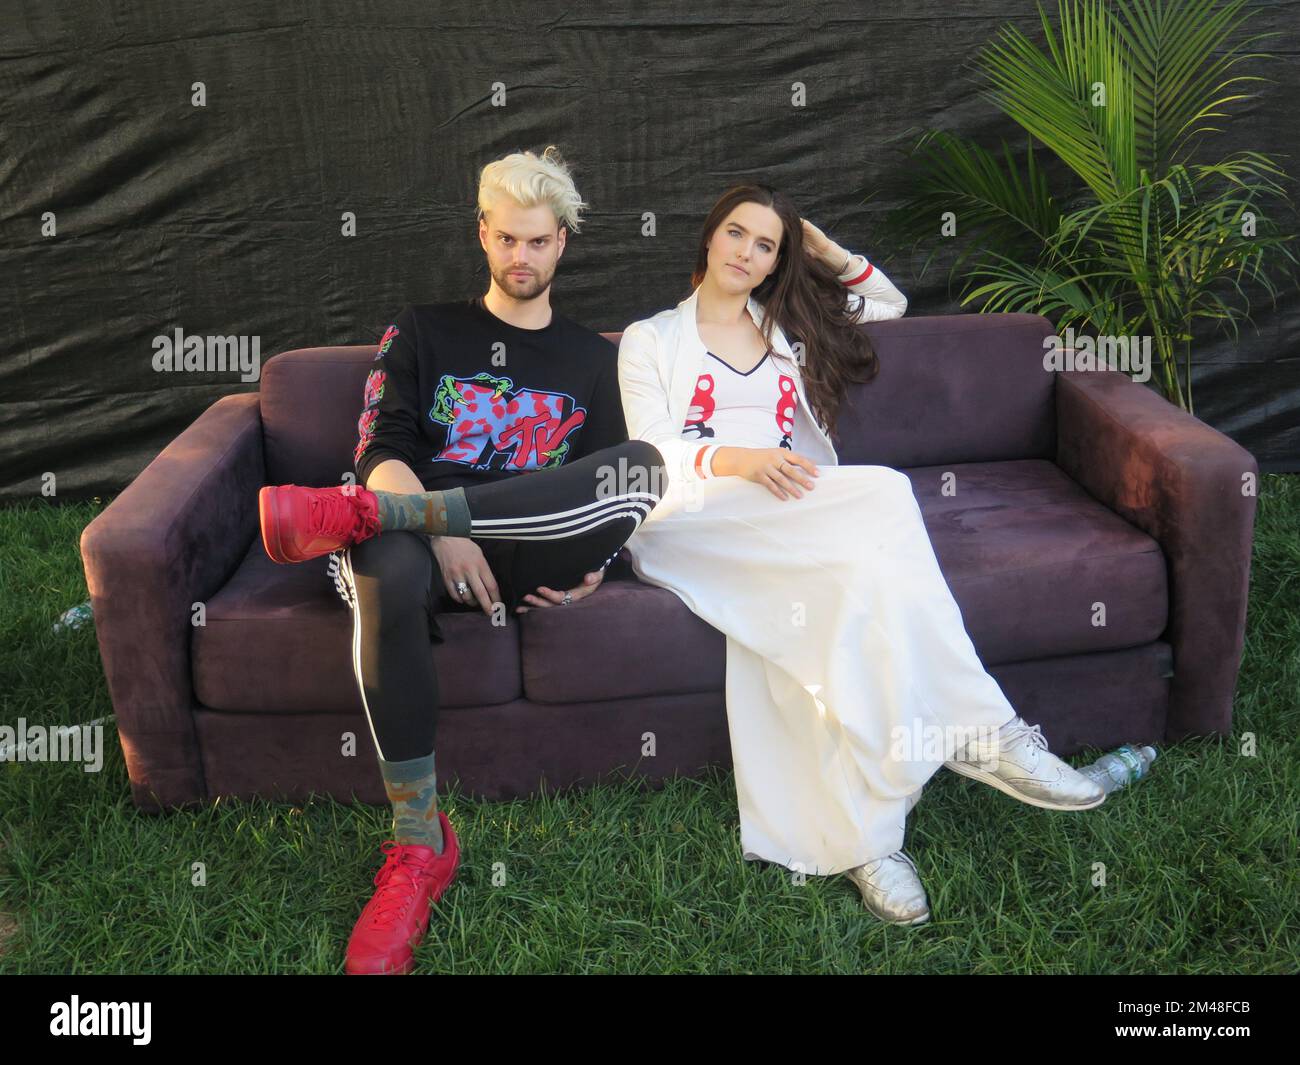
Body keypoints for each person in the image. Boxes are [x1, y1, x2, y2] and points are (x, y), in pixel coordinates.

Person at [614, 184, 1105, 925]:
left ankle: (869, 844)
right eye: (736, 234)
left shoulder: (787, 328)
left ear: (781, 259)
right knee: (882, 493)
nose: (746, 252)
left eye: (766, 244)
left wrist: (827, 251)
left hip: (790, 513)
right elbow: (653, 452)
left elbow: (888, 305)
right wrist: (740, 460)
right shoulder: (651, 339)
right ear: (709, 237)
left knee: (837, 607)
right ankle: (985, 731)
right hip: (693, 520)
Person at [257, 146, 670, 974]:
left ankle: (364, 515)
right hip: (414, 546)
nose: (522, 257)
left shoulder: (594, 360)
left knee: (646, 468)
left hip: (526, 553)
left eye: (539, 242)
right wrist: (443, 527)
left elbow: (602, 482)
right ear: (482, 233)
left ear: (564, 244)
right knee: (386, 556)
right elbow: (384, 443)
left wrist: (603, 555)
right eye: (507, 238)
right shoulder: (422, 327)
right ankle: (419, 845)